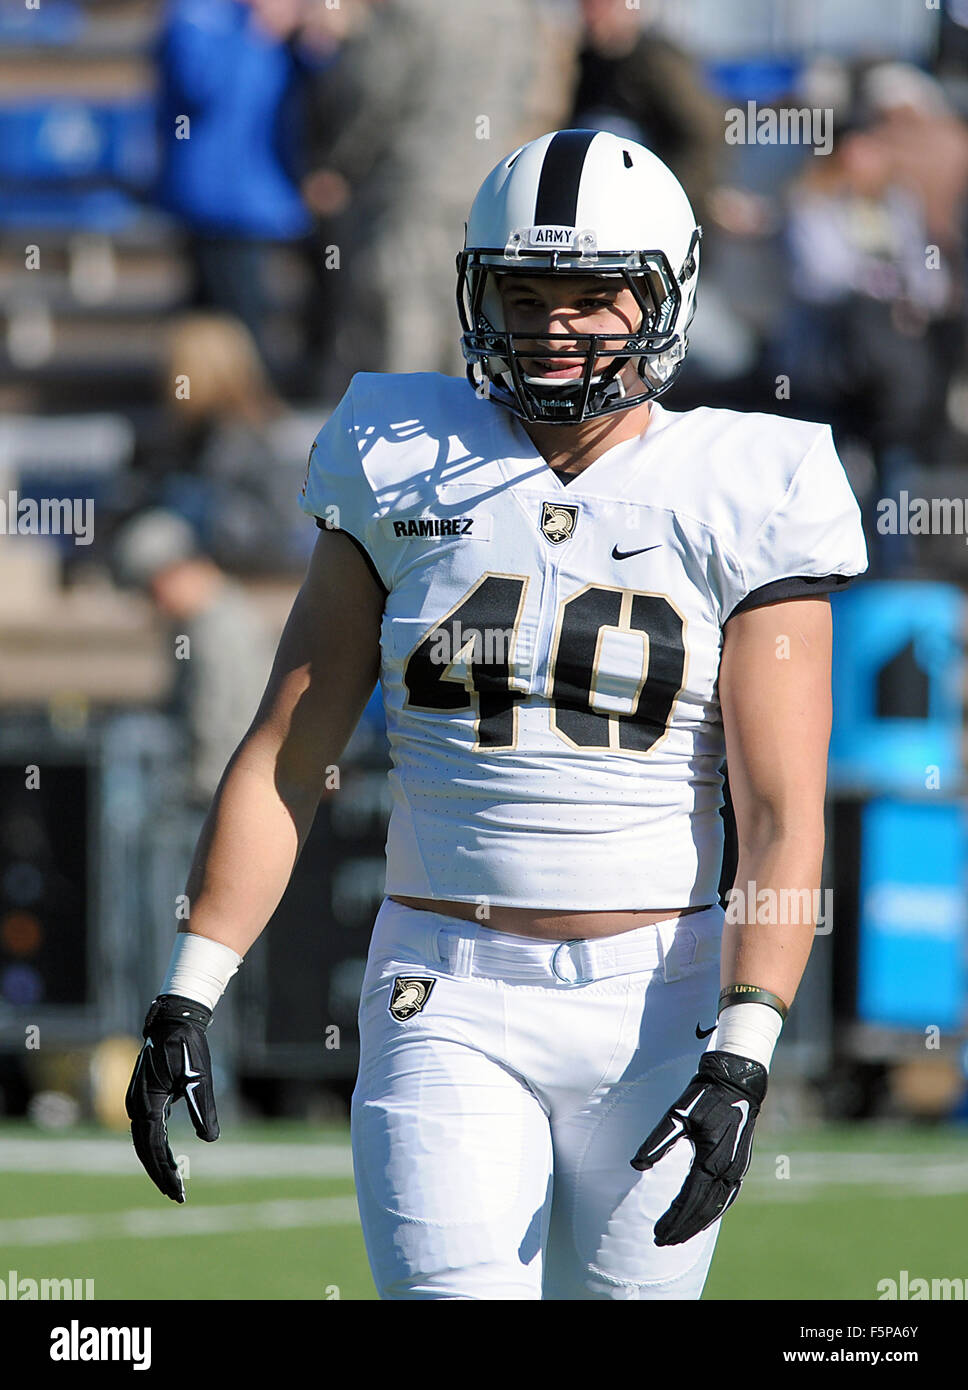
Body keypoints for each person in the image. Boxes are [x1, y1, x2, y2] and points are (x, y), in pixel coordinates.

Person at [125, 129, 869, 1300]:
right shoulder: (400, 453)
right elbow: (287, 753)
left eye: (593, 296)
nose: (556, 324)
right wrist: (189, 983)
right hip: (444, 986)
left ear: (664, 294)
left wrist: (744, 1048)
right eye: (525, 294)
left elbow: (778, 813)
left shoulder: (748, 483)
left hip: (659, 999)